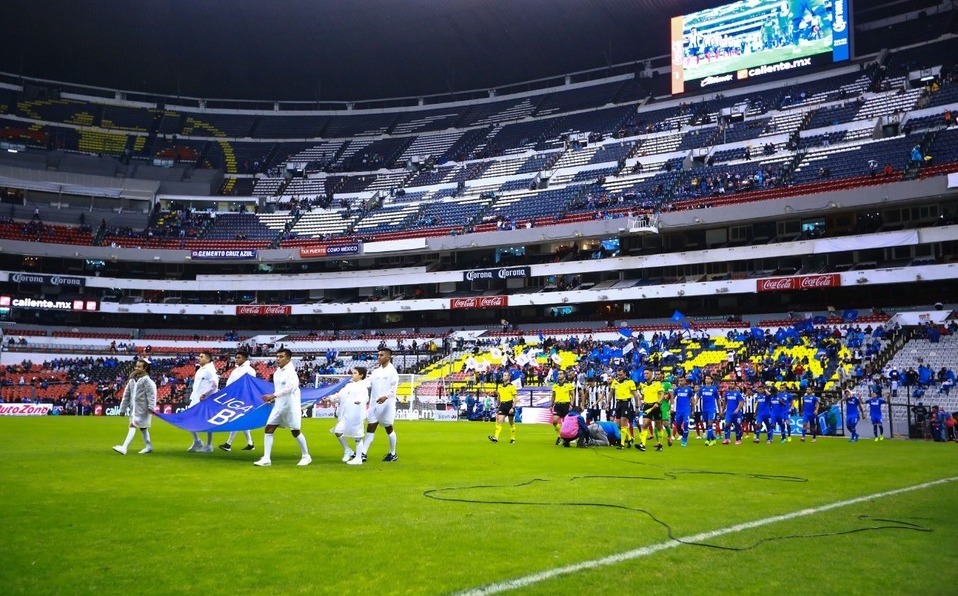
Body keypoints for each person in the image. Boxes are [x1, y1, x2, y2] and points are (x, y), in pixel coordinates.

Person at [254, 349, 311, 467]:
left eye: (281, 356)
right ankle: (266, 458)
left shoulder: (291, 372)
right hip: (279, 405)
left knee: (295, 431)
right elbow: (279, 390)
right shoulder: (277, 373)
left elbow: (291, 388)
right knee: (269, 428)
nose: (278, 359)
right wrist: (273, 399)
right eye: (277, 356)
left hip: (291, 406)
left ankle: (306, 456)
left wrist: (273, 395)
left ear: (288, 359)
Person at [351, 347, 400, 463]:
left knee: (388, 428)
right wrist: (359, 383)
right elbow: (368, 382)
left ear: (388, 357)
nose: (379, 357)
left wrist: (385, 396)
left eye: (381, 355)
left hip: (387, 404)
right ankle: (363, 453)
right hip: (374, 404)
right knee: (371, 426)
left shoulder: (393, 372)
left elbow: (394, 388)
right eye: (378, 355)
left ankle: (393, 453)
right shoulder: (376, 371)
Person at [112, 359, 157, 455]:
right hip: (134, 409)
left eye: (139, 367)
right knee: (143, 428)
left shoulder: (147, 381)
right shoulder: (132, 380)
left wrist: (151, 408)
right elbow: (126, 395)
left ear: (145, 368)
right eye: (136, 366)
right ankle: (148, 446)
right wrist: (122, 409)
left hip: (143, 409)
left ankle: (124, 447)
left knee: (133, 425)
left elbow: (151, 395)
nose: (136, 368)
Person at [328, 367, 370, 462]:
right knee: (338, 431)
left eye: (355, 373)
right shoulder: (349, 386)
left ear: (361, 375)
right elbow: (340, 395)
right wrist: (330, 398)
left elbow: (365, 397)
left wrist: (359, 400)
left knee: (357, 436)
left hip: (356, 414)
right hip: (345, 414)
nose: (352, 374)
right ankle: (348, 450)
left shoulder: (363, 386)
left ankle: (358, 458)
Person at [218, 350, 256, 452]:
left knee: (237, 419)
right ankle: (250, 444)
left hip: (243, 398)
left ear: (244, 358)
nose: (236, 359)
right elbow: (229, 384)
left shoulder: (249, 370)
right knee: (241, 420)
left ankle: (228, 444)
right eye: (236, 357)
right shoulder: (236, 370)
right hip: (235, 398)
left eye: (239, 357)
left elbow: (251, 385)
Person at [187, 350, 219, 452]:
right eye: (199, 356)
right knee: (188, 419)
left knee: (208, 421)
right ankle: (197, 440)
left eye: (202, 357)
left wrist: (205, 393)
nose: (199, 358)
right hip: (196, 398)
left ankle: (208, 445)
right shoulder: (200, 369)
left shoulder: (210, 370)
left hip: (206, 399)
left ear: (208, 359)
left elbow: (214, 383)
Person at [610, 368, 639, 449]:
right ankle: (629, 438)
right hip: (618, 403)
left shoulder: (630, 382)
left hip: (626, 403)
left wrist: (637, 407)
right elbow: (611, 392)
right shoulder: (615, 382)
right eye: (618, 374)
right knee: (618, 425)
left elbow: (636, 395)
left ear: (625, 374)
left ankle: (622, 444)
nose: (619, 376)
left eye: (621, 374)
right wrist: (608, 403)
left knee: (623, 423)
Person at [488, 370, 518, 444]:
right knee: (499, 421)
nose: (503, 377)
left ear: (509, 377)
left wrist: (512, 408)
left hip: (509, 404)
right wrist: (498, 406)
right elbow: (499, 396)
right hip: (502, 405)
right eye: (503, 375)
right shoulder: (500, 386)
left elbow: (516, 398)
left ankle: (513, 438)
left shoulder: (512, 386)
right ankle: (496, 437)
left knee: (511, 422)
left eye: (505, 375)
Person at [550, 369, 574, 445]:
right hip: (557, 405)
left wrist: (571, 404)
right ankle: (559, 435)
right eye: (558, 374)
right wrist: (551, 405)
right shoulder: (555, 385)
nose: (559, 375)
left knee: (566, 423)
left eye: (561, 374)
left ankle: (568, 438)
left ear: (564, 375)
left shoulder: (569, 385)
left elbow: (573, 395)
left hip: (566, 405)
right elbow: (553, 396)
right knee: (554, 422)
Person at [696, 374, 720, 446]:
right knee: (707, 425)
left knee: (710, 423)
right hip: (704, 409)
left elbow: (718, 400)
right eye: (706, 378)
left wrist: (720, 410)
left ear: (711, 380)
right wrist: (695, 403)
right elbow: (697, 397)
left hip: (712, 409)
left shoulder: (714, 389)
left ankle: (707, 440)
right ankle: (713, 439)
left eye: (709, 378)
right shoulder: (702, 389)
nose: (707, 380)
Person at [672, 375, 693, 447]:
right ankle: (682, 434)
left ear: (685, 381)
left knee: (686, 424)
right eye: (679, 381)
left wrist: (693, 410)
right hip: (678, 410)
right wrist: (671, 406)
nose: (680, 382)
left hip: (686, 410)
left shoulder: (689, 390)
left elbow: (692, 400)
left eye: (682, 381)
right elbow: (672, 398)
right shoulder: (676, 390)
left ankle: (684, 440)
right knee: (678, 426)